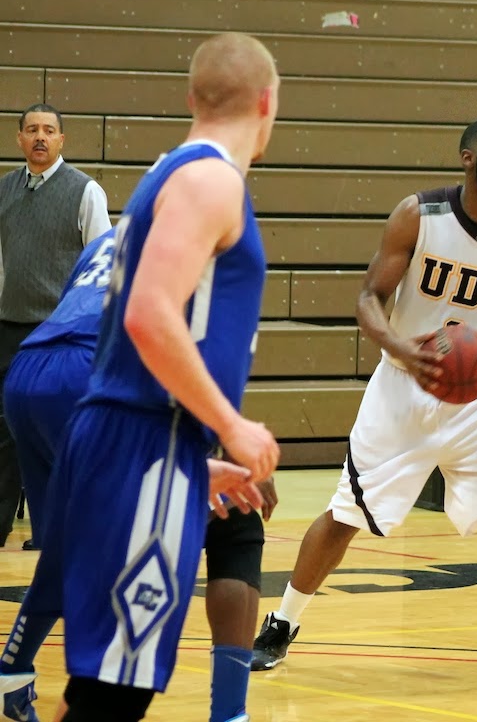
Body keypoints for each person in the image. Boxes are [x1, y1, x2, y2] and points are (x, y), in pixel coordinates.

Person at [250, 117, 477, 694]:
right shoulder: (418, 215)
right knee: (346, 513)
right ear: (468, 159)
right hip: (403, 382)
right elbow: (369, 298)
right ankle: (282, 622)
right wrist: (401, 347)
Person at [39, 32, 281, 722]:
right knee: (115, 694)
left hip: (145, 443)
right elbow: (149, 314)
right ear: (268, 103)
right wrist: (230, 426)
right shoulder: (211, 180)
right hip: (139, 442)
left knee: (103, 687)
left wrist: (194, 464)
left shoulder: (170, 172)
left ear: (190, 99)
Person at [0, 228, 273, 722]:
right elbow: (181, 343)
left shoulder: (112, 235)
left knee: (69, 545)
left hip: (28, 371)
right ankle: (229, 713)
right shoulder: (205, 239)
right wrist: (231, 439)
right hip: (94, 380)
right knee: (235, 521)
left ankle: (14, 671)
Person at [0, 103, 111, 548]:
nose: (40, 137)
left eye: (49, 130)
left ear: (62, 140)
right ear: (20, 139)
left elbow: (104, 263)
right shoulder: (5, 189)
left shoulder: (85, 192)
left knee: (63, 434)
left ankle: (59, 530)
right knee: (9, 433)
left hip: (61, 336)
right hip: (9, 328)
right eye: (32, 130)